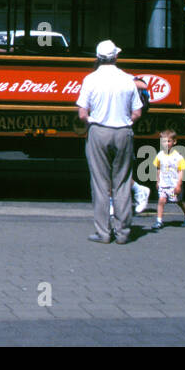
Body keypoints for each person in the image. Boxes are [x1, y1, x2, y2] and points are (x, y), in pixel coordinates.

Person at [76, 40, 142, 244]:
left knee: (100, 184)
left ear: (97, 57)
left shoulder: (90, 79)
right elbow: (137, 112)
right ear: (116, 57)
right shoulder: (128, 79)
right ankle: (123, 232)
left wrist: (93, 121)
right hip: (123, 131)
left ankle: (103, 232)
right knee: (121, 182)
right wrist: (126, 122)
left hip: (99, 131)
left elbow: (82, 113)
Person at [151, 129, 185, 230]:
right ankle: (159, 221)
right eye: (164, 141)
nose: (166, 143)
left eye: (168, 141)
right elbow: (159, 168)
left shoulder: (178, 156)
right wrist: (158, 181)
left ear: (174, 142)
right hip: (164, 184)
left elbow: (181, 171)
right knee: (161, 200)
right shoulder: (160, 155)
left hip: (174, 184)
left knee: (179, 202)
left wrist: (178, 185)